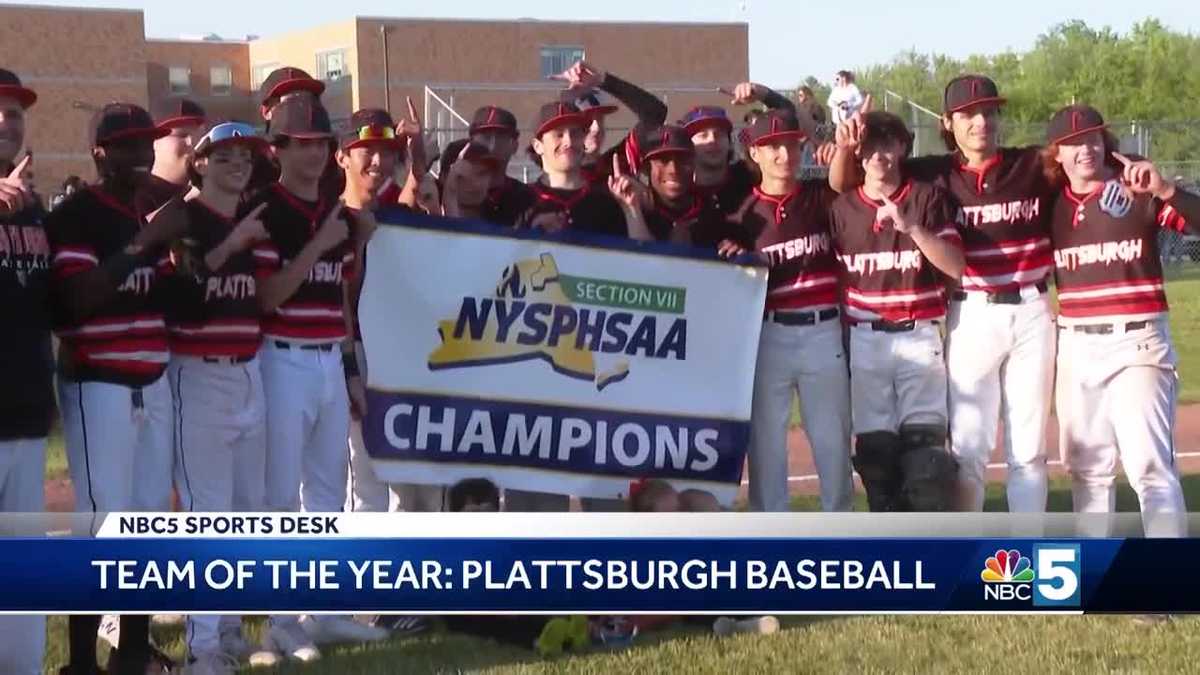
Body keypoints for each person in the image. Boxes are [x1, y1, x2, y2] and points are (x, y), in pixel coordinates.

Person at [830, 75, 1055, 514]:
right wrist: (845, 143)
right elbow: (847, 184)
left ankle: (1028, 552)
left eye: (989, 112)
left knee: (1028, 451)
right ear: (949, 123)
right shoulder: (933, 173)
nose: (981, 122)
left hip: (1031, 310)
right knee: (966, 450)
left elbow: (1084, 162)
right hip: (971, 311)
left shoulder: (1030, 165)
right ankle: (964, 551)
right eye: (969, 114)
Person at [244, 97, 387, 667]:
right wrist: (322, 245)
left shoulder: (337, 211)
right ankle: (280, 622)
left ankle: (321, 611)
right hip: (280, 358)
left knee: (327, 494)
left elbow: (342, 301)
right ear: (277, 149)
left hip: (328, 356)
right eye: (300, 142)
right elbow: (268, 297)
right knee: (283, 496)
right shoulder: (265, 209)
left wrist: (351, 370)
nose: (314, 151)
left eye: (321, 142)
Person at [48, 102, 184, 675]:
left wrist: (183, 255)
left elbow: (171, 300)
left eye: (145, 144)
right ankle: (81, 660)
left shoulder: (147, 214)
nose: (140, 155)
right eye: (126, 145)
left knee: (149, 521)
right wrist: (147, 242)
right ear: (99, 153)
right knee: (105, 521)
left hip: (151, 380)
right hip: (97, 381)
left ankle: (131, 656)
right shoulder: (78, 214)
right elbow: (77, 300)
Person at [1044, 104, 1199, 537]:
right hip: (1076, 344)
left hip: (1138, 341)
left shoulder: (1137, 191)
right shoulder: (1051, 207)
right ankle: (1096, 575)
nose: (1085, 149)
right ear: (1057, 153)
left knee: (1150, 466)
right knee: (1088, 468)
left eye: (1093, 138)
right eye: (1073, 143)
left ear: (1105, 142)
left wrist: (1166, 189)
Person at [162, 121, 272, 675]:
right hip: (198, 372)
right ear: (199, 162)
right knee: (209, 516)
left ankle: (227, 630)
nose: (237, 162)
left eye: (245, 155)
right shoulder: (187, 219)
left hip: (247, 369)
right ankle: (202, 647)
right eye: (223, 154)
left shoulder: (249, 219)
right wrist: (230, 246)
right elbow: (183, 302)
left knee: (246, 513)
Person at [828, 112, 964, 512]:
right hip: (866, 337)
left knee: (926, 462)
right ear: (858, 151)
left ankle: (931, 556)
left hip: (918, 332)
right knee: (877, 459)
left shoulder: (926, 197)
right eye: (870, 145)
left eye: (888, 144)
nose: (878, 155)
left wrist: (912, 229)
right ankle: (890, 553)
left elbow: (955, 266)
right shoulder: (842, 208)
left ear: (904, 147)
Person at [725, 109, 853, 513]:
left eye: (790, 145)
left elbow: (843, 180)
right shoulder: (741, 216)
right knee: (766, 445)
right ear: (755, 153)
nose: (783, 154)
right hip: (769, 334)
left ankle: (842, 533)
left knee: (832, 442)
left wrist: (844, 148)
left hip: (823, 330)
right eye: (772, 146)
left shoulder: (822, 196)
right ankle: (772, 538)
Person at [0, 67, 48, 675]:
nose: (7, 119)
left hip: (29, 414)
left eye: (15, 110)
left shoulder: (33, 211)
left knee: (25, 576)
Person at [683, 82, 796, 215]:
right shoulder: (680, 191)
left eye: (719, 134)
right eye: (703, 135)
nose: (712, 140)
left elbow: (790, 119)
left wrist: (762, 94)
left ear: (729, 142)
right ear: (689, 145)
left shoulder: (749, 175)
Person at [550, 60, 668, 184]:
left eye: (600, 119)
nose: (596, 128)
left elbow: (656, 114)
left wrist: (603, 81)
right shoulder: (553, 181)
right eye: (588, 121)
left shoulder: (618, 161)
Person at [137, 97, 206, 214]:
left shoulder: (220, 190)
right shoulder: (134, 195)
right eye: (181, 135)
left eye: (199, 135)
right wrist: (185, 201)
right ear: (152, 142)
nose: (192, 142)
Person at [467, 105, 533, 226]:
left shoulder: (529, 198)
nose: (492, 146)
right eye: (485, 138)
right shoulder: (457, 191)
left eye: (501, 138)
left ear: (515, 146)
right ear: (471, 142)